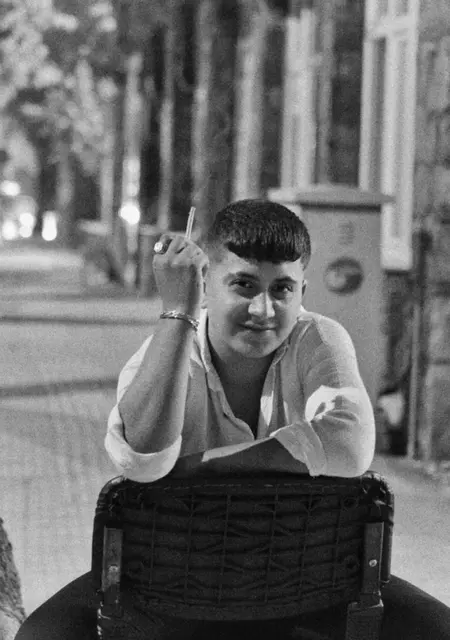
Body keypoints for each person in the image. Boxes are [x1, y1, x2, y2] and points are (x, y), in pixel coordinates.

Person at [15, 199, 450, 639]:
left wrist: (204, 466)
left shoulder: (317, 338)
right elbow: (141, 462)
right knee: (40, 635)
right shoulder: (166, 353)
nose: (263, 310)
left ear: (303, 292)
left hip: (309, 585)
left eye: (282, 289)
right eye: (244, 285)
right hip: (171, 590)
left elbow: (352, 444)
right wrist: (177, 313)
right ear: (205, 284)